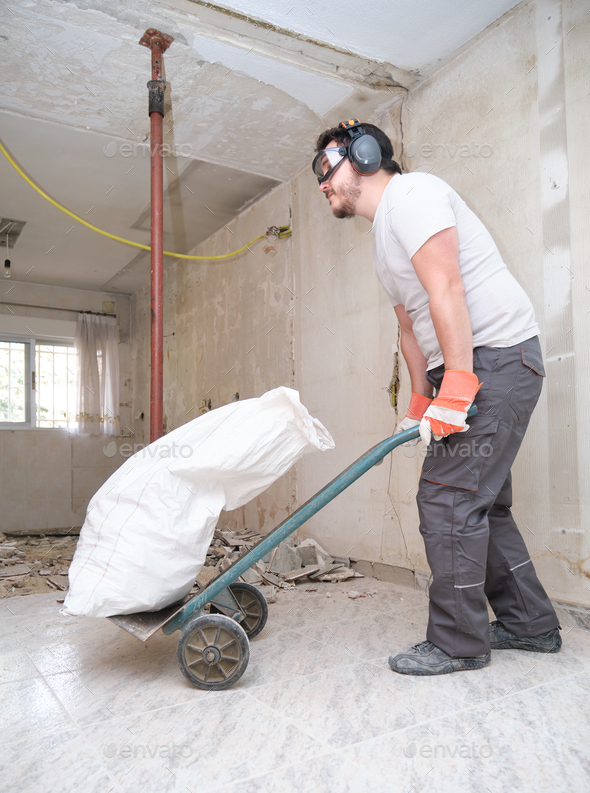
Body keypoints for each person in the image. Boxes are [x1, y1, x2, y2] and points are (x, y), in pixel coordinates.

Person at [312, 119, 561, 675]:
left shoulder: (414, 194)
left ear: (367, 154)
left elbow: (448, 287)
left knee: (447, 500)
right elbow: (410, 329)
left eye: (326, 167)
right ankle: (531, 624)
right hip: (479, 363)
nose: (322, 183)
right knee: (481, 503)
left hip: (496, 356)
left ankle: (458, 643)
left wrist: (460, 383)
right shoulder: (382, 237)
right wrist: (419, 403)